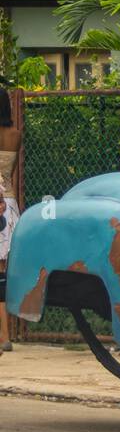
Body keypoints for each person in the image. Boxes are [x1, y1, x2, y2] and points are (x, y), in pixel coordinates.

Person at [0, 80, 18, 352]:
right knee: (4, 276)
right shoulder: (15, 133)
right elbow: (10, 174)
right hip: (11, 203)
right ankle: (6, 335)